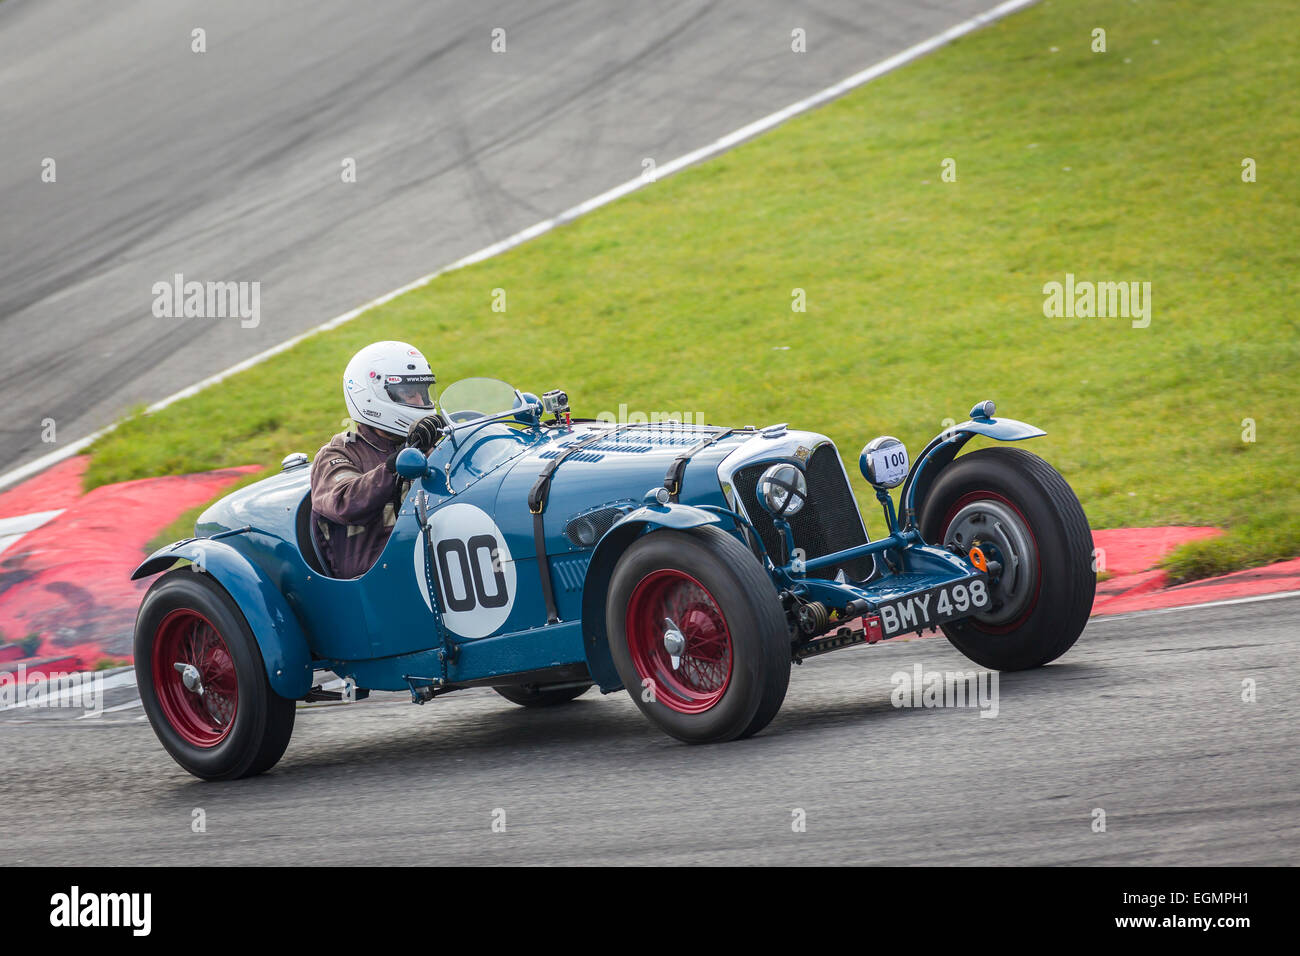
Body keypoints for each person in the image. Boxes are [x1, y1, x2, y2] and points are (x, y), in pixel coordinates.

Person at [310, 341, 442, 578]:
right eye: (410, 393)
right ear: (372, 396)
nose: (421, 403)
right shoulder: (339, 453)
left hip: (433, 559)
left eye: (423, 392)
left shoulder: (429, 441)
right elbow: (347, 503)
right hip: (377, 579)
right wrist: (396, 464)